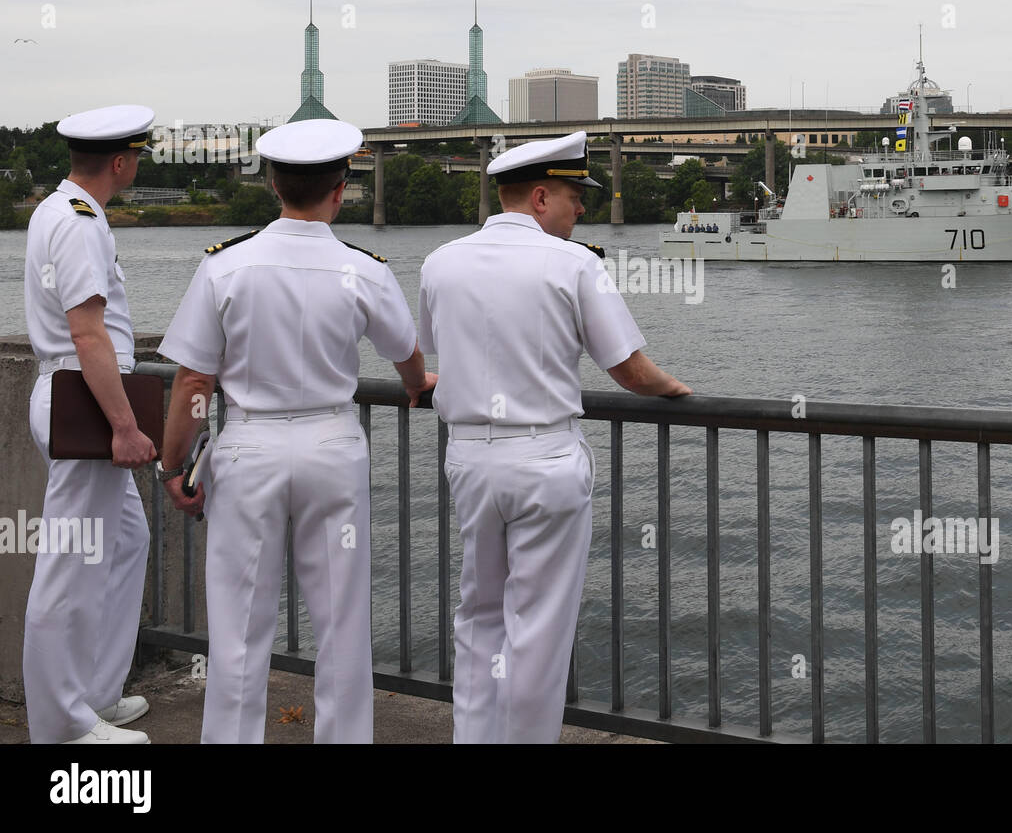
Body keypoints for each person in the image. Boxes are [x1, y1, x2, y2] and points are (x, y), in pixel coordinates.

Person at [157, 119, 435, 743]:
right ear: (340, 189)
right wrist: (418, 385)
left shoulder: (225, 267)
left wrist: (175, 467)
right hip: (333, 446)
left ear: (273, 185)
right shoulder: (362, 269)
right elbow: (406, 353)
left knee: (238, 629)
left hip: (249, 446)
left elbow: (193, 385)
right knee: (340, 624)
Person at [418, 130, 690, 744]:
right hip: (543, 458)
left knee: (478, 614)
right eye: (575, 196)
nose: (583, 208)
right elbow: (629, 369)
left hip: (468, 457)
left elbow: (441, 352)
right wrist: (675, 388)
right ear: (541, 197)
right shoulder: (574, 263)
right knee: (536, 628)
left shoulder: (442, 260)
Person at [22, 104, 156, 744]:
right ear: (122, 161)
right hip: (84, 401)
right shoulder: (79, 224)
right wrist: (126, 426)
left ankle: (96, 692)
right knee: (71, 563)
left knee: (126, 542)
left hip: (74, 396)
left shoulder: (61, 209)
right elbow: (87, 331)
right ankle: (62, 722)